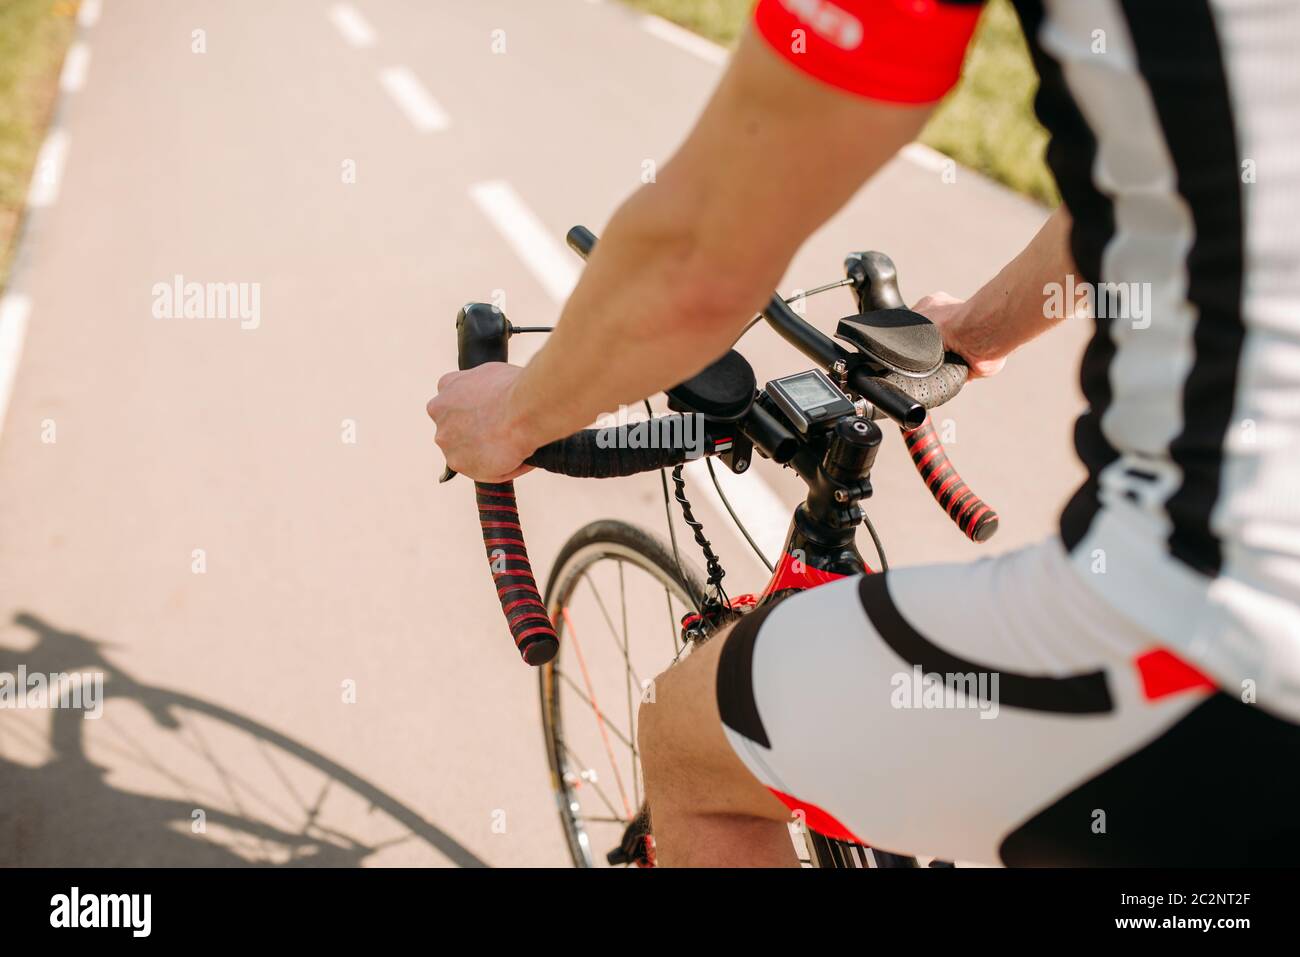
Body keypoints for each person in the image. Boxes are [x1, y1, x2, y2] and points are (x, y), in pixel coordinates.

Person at [427, 0, 1300, 866]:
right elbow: (1142, 187)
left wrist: (510, 417)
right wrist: (971, 334)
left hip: (1212, 634)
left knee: (685, 742)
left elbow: (697, 258)